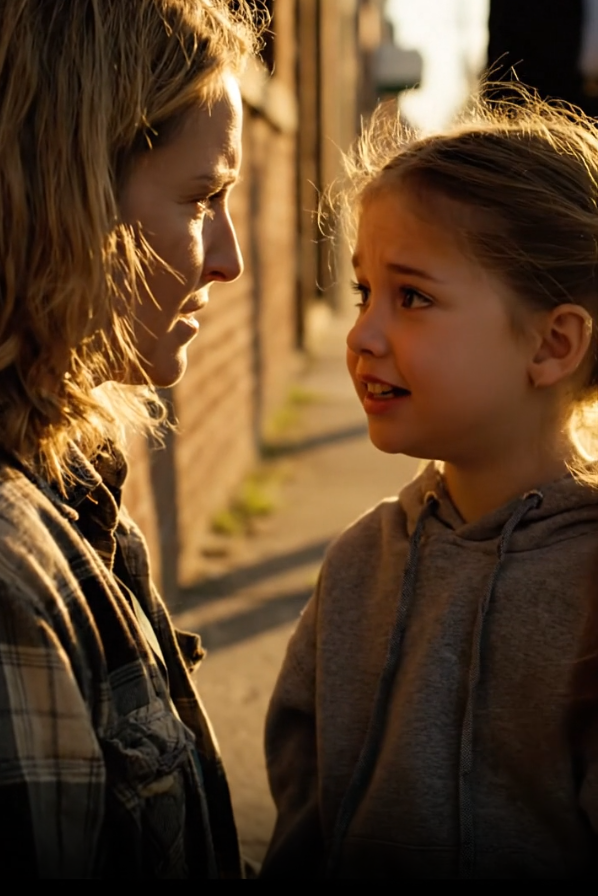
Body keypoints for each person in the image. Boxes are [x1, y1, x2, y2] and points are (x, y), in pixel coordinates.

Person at [260, 91, 598, 879]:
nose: (361, 334)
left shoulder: (588, 588)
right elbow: (299, 820)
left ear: (552, 343)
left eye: (411, 296)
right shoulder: (356, 566)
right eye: (362, 292)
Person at [0, 0, 262, 879]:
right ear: (64, 193)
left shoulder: (71, 478)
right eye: (201, 200)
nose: (226, 260)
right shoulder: (2, 579)